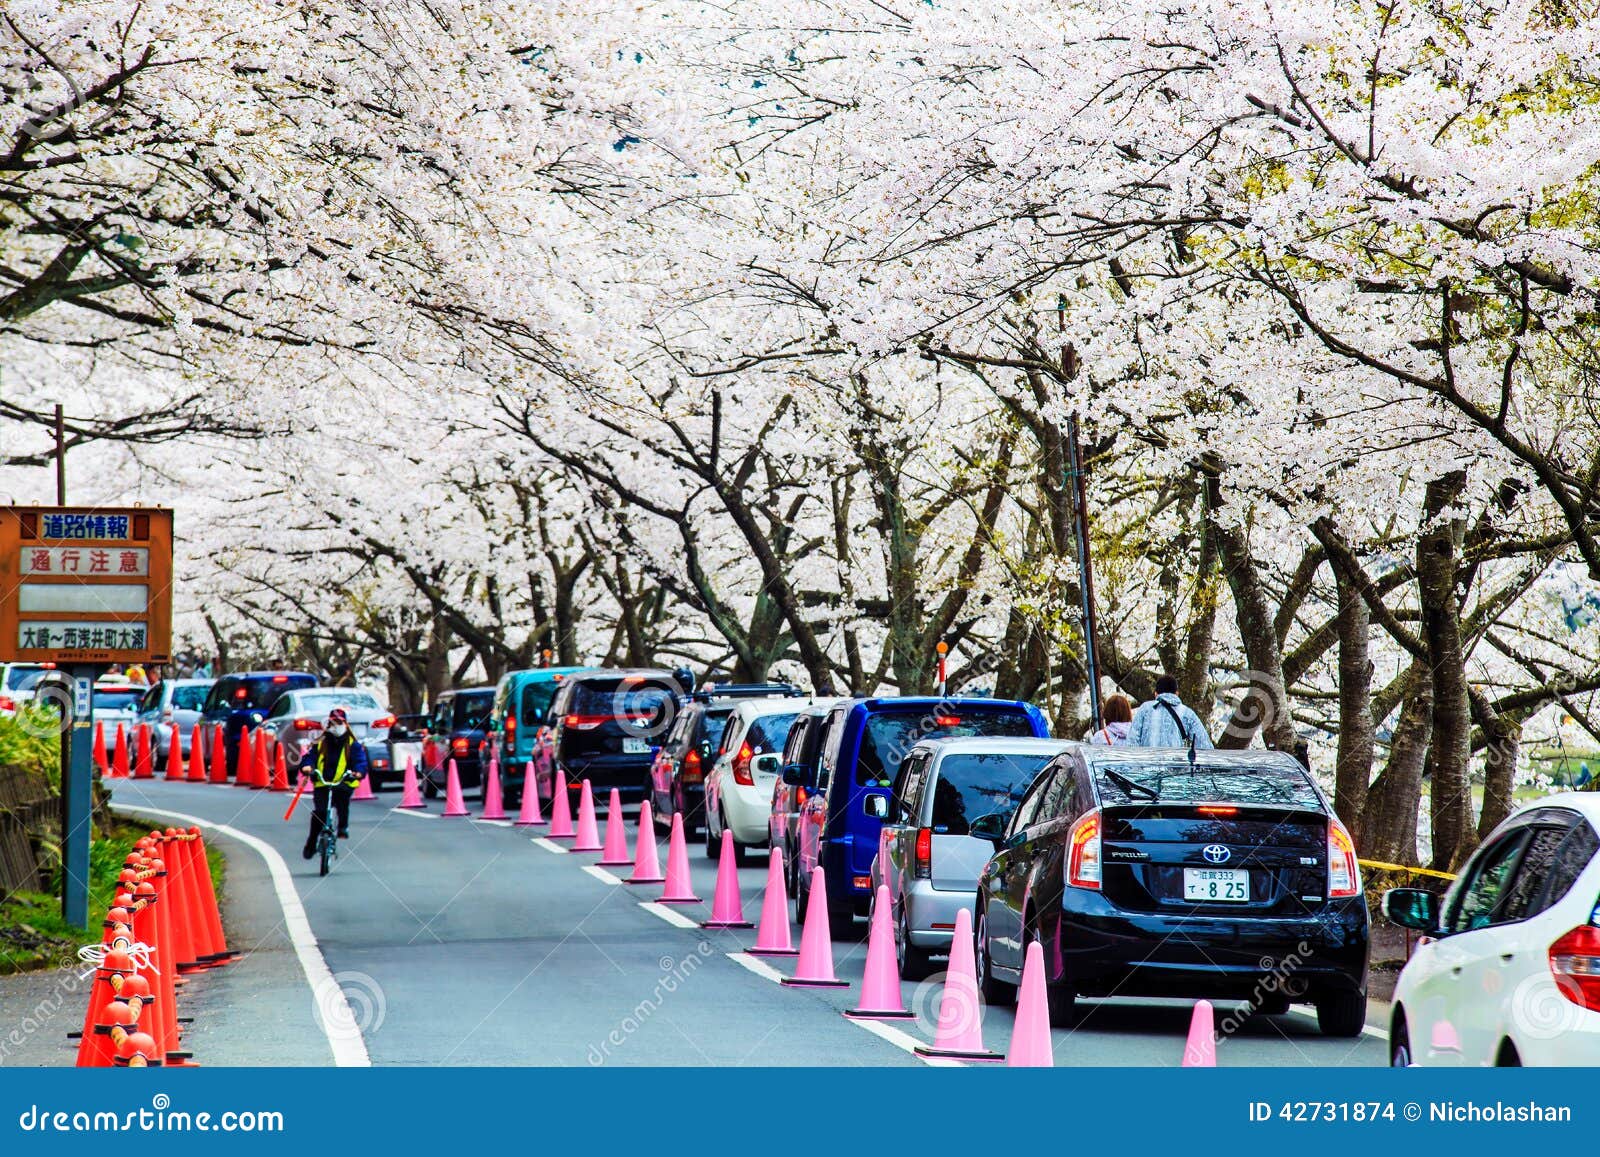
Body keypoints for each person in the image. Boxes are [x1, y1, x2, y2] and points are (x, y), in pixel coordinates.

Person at [299, 708, 368, 858]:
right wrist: (307, 766)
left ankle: (343, 827)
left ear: (345, 723)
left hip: (343, 783)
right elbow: (310, 757)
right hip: (322, 783)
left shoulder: (353, 744)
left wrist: (358, 772)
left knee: (343, 802)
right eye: (333, 722)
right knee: (320, 813)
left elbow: (360, 762)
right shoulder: (321, 742)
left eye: (339, 722)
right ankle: (311, 842)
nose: (336, 725)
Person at [1128, 675, 1214, 749]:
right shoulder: (1187, 713)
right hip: (1176, 766)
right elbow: (1204, 745)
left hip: (1147, 765)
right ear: (1177, 693)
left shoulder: (1145, 709)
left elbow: (1132, 741)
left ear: (1156, 694)